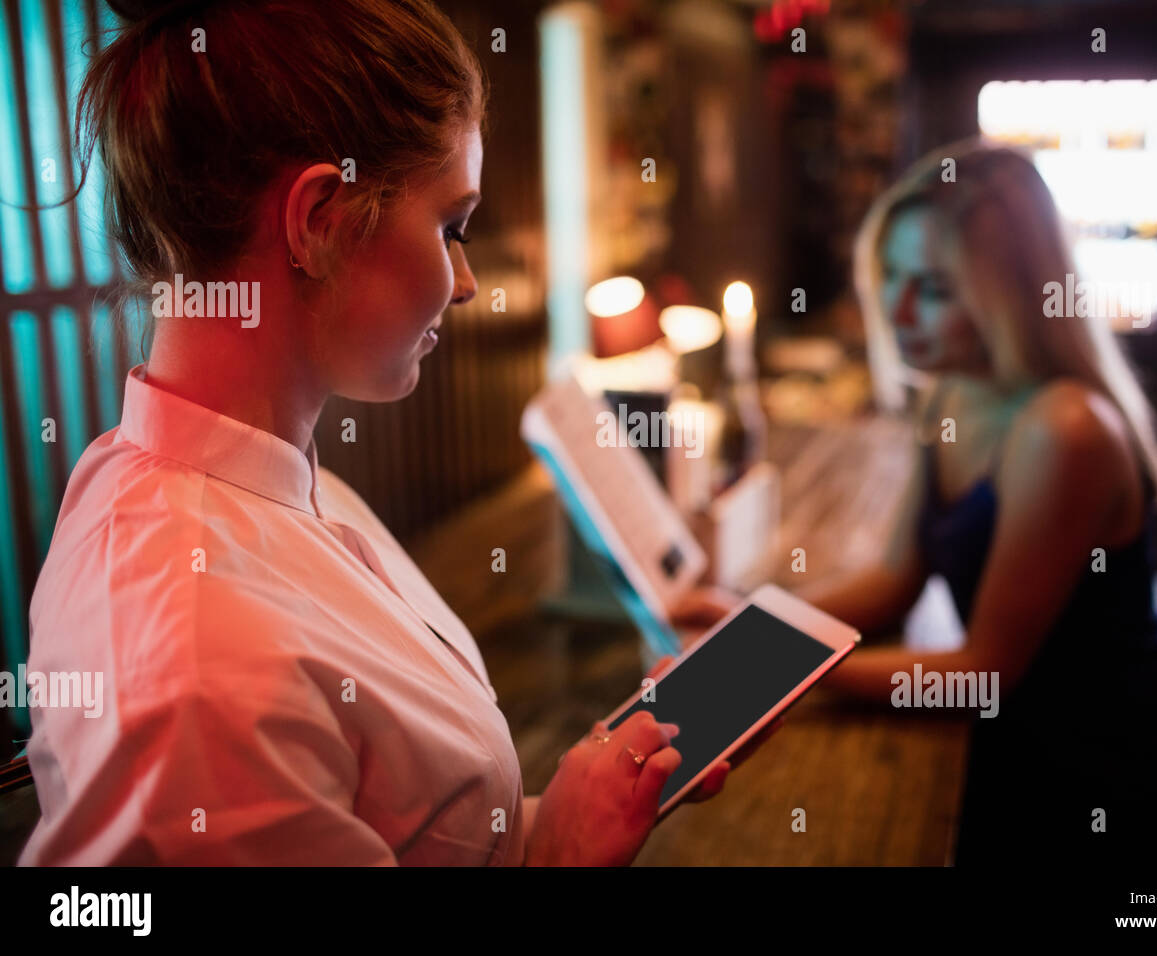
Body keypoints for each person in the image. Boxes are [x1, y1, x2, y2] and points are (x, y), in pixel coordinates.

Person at [19, 0, 737, 866]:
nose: (466, 281)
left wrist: (576, 809)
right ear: (319, 219)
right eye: (451, 227)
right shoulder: (199, 660)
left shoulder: (267, 477)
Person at [797, 142, 1157, 863]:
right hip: (1020, 733)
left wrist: (783, 676)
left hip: (1119, 769)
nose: (899, 311)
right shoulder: (951, 387)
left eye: (935, 289)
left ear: (1014, 293)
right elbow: (895, 577)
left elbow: (985, 673)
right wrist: (749, 624)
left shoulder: (1063, 430)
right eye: (892, 277)